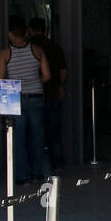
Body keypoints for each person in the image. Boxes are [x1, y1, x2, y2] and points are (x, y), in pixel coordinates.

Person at [0, 15, 50, 184]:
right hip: (35, 96)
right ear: (26, 32)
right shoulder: (37, 50)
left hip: (14, 98)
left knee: (17, 137)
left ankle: (22, 176)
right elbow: (47, 76)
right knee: (37, 135)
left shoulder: (5, 53)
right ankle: (38, 172)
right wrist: (34, 82)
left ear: (11, 34)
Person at [28, 17, 67, 173]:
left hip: (32, 94)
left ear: (30, 29)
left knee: (34, 132)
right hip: (52, 93)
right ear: (45, 29)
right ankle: (57, 165)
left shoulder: (29, 47)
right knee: (54, 132)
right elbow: (63, 72)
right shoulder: (55, 47)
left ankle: (34, 167)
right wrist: (59, 86)